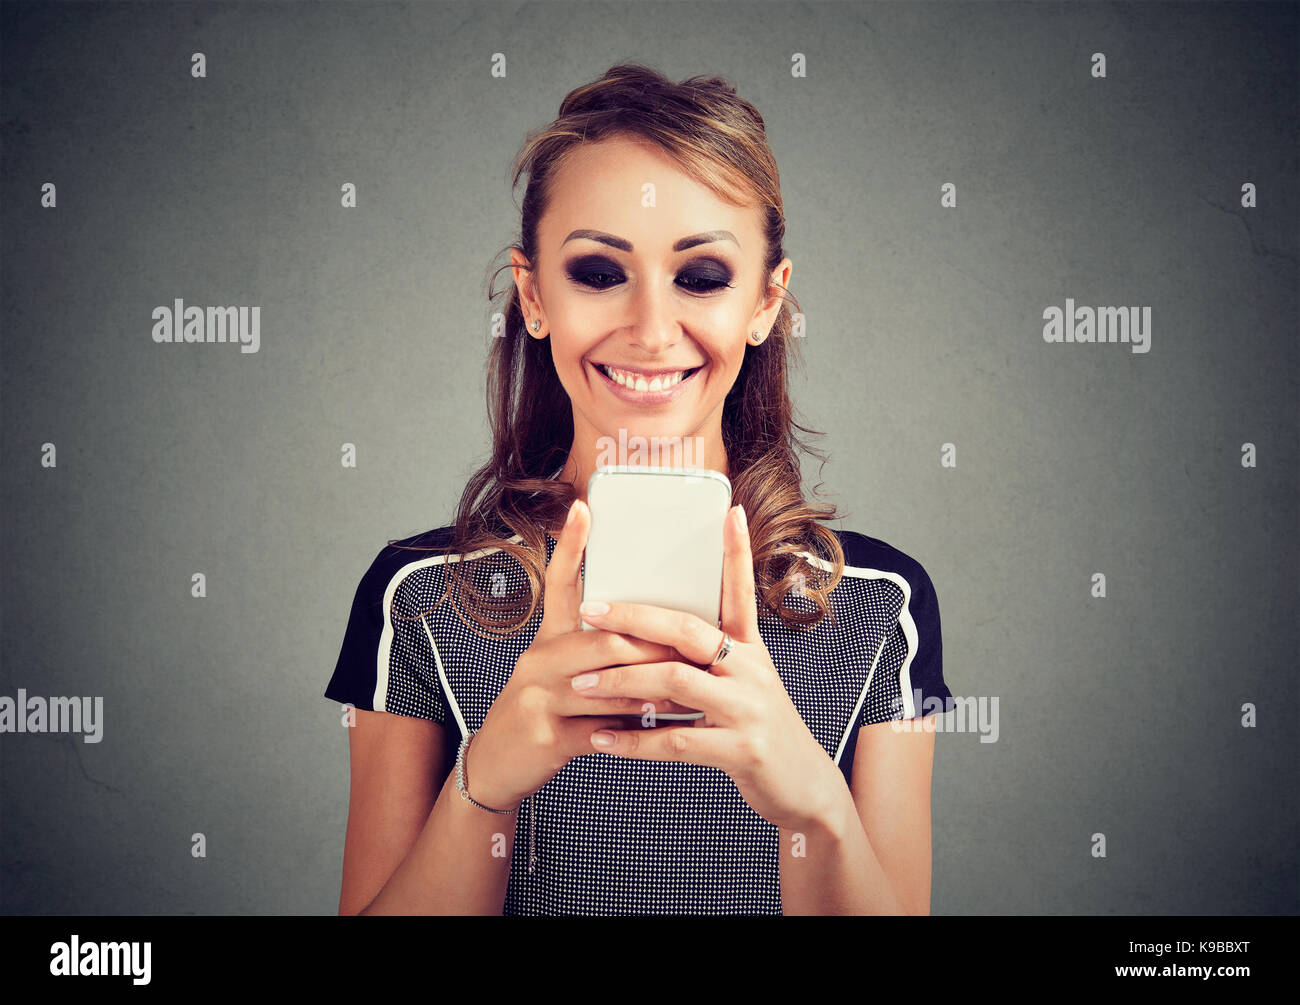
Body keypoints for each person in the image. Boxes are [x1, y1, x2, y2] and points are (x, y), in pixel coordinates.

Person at [324, 62, 954, 916]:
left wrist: (814, 802)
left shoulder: (880, 604)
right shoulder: (422, 597)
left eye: (701, 276)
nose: (652, 332)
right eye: (597, 271)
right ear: (534, 293)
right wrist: (485, 783)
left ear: (767, 302)